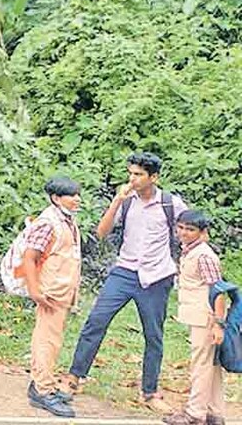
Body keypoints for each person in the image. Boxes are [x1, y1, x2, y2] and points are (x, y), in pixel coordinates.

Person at [67, 152, 188, 413]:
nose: (132, 179)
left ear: (153, 177)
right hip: (124, 271)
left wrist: (186, 265)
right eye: (130, 173)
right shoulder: (126, 201)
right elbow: (101, 233)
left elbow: (190, 232)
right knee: (95, 322)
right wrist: (116, 201)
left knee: (153, 335)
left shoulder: (170, 204)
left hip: (157, 276)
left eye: (138, 175)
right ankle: (75, 377)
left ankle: (150, 392)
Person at [21, 176, 83, 419]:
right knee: (47, 340)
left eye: (78, 194)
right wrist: (35, 290)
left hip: (61, 290)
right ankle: (42, 390)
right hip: (50, 291)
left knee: (52, 339)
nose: (77, 199)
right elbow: (29, 257)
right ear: (56, 198)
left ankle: (41, 382)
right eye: (71, 195)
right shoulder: (48, 222)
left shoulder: (65, 219)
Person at [163, 210, 226, 425]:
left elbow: (218, 290)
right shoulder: (190, 251)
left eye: (190, 229)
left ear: (203, 232)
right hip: (197, 314)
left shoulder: (204, 256)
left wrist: (218, 324)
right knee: (211, 365)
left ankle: (194, 414)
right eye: (181, 228)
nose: (183, 233)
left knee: (200, 365)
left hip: (205, 317)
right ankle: (214, 413)